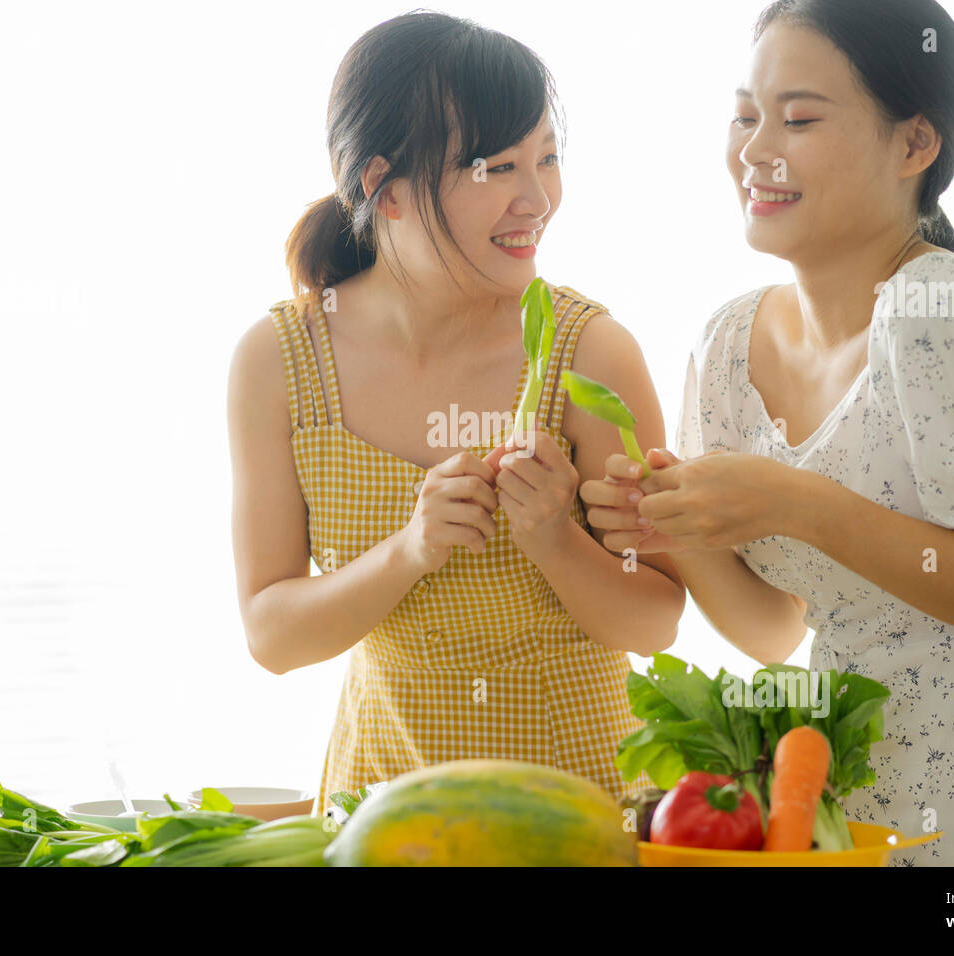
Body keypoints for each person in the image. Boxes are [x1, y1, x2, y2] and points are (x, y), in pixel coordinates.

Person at [582, 0, 954, 865]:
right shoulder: (728, 342)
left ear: (916, 145)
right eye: (745, 114)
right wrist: (677, 534)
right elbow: (776, 629)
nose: (756, 149)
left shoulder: (946, 315)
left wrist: (798, 503)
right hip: (846, 810)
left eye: (798, 118)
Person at [226, 11, 684, 815]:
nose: (537, 199)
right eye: (498, 167)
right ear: (384, 188)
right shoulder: (279, 361)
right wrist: (410, 550)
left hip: (585, 815)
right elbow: (272, 633)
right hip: (378, 814)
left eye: (547, 158)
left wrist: (554, 537)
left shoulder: (590, 353)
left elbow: (654, 622)